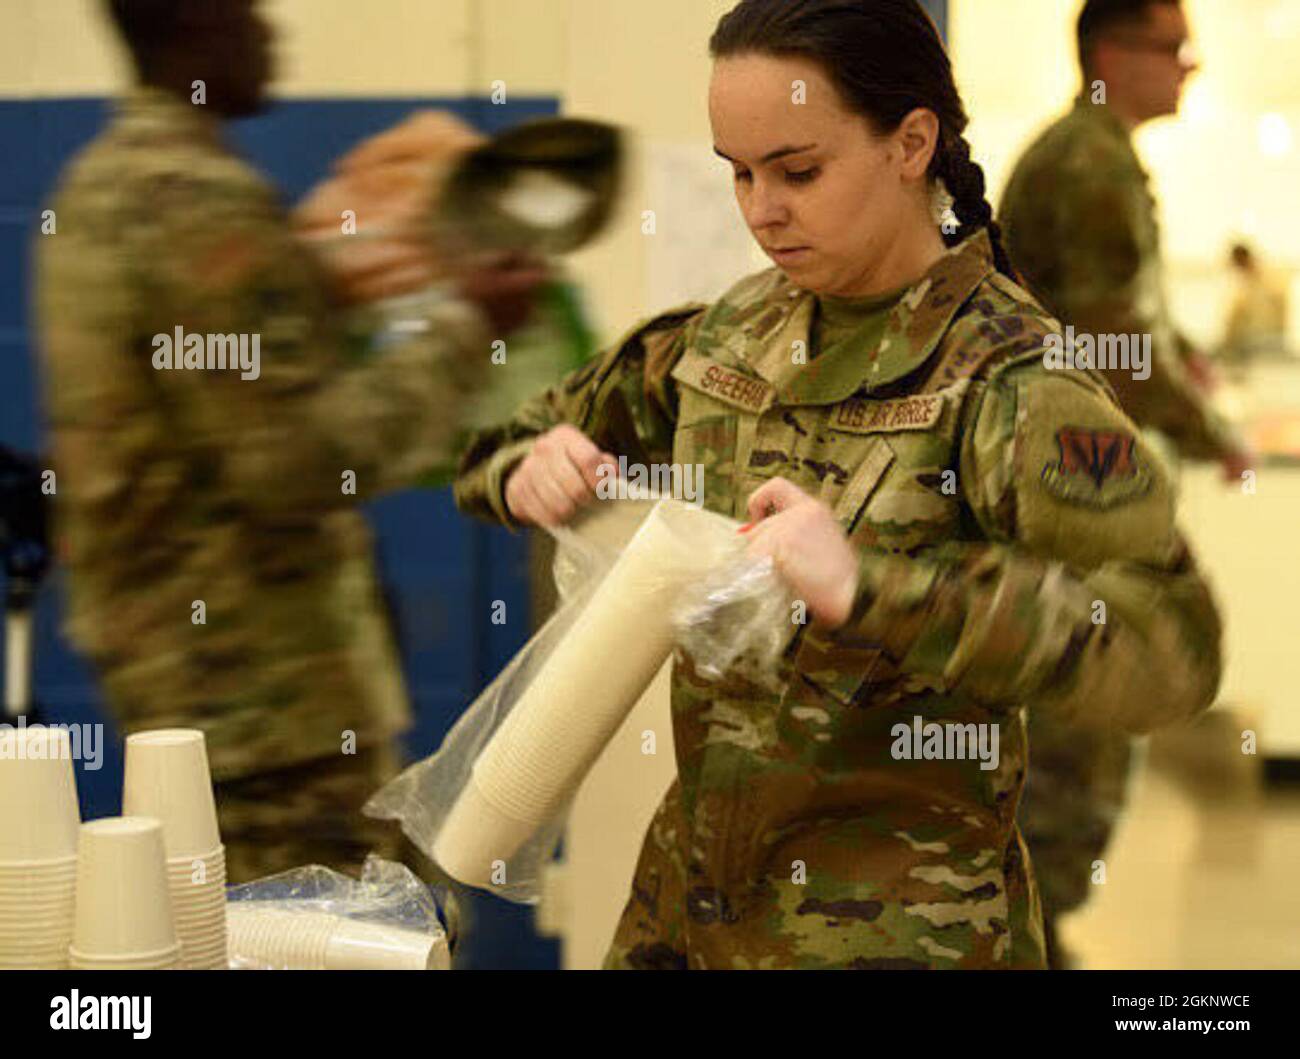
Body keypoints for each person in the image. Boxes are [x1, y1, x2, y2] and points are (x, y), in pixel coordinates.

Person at [454, 0, 1222, 970]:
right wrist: (527, 467)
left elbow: (1171, 651)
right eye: (738, 171)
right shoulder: (729, 339)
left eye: (796, 170)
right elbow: (498, 442)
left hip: (898, 934)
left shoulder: (1011, 385)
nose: (760, 208)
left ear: (910, 144)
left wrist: (873, 588)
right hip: (688, 921)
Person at [33, 0, 544, 883]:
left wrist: (338, 278)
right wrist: (469, 326)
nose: (275, 33)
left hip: (194, 696)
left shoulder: (97, 189)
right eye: (252, 11)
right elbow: (298, 460)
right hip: (267, 709)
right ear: (199, 23)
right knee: (332, 934)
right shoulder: (195, 200)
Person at [999, 0, 1247, 967]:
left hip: (1084, 495)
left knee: (1088, 720)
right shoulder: (1087, 161)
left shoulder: (1098, 154)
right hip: (1068, 503)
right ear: (1110, 55)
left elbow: (1124, 314)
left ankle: (1041, 931)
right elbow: (1112, 342)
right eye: (1172, 49)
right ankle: (1033, 937)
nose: (1189, 68)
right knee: (1079, 728)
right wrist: (1208, 426)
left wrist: (1185, 364)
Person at [1221, 242, 1290, 376]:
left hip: (1266, 345)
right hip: (1258, 346)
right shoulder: (1246, 286)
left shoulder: (1270, 280)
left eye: (1236, 265)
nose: (1236, 271)